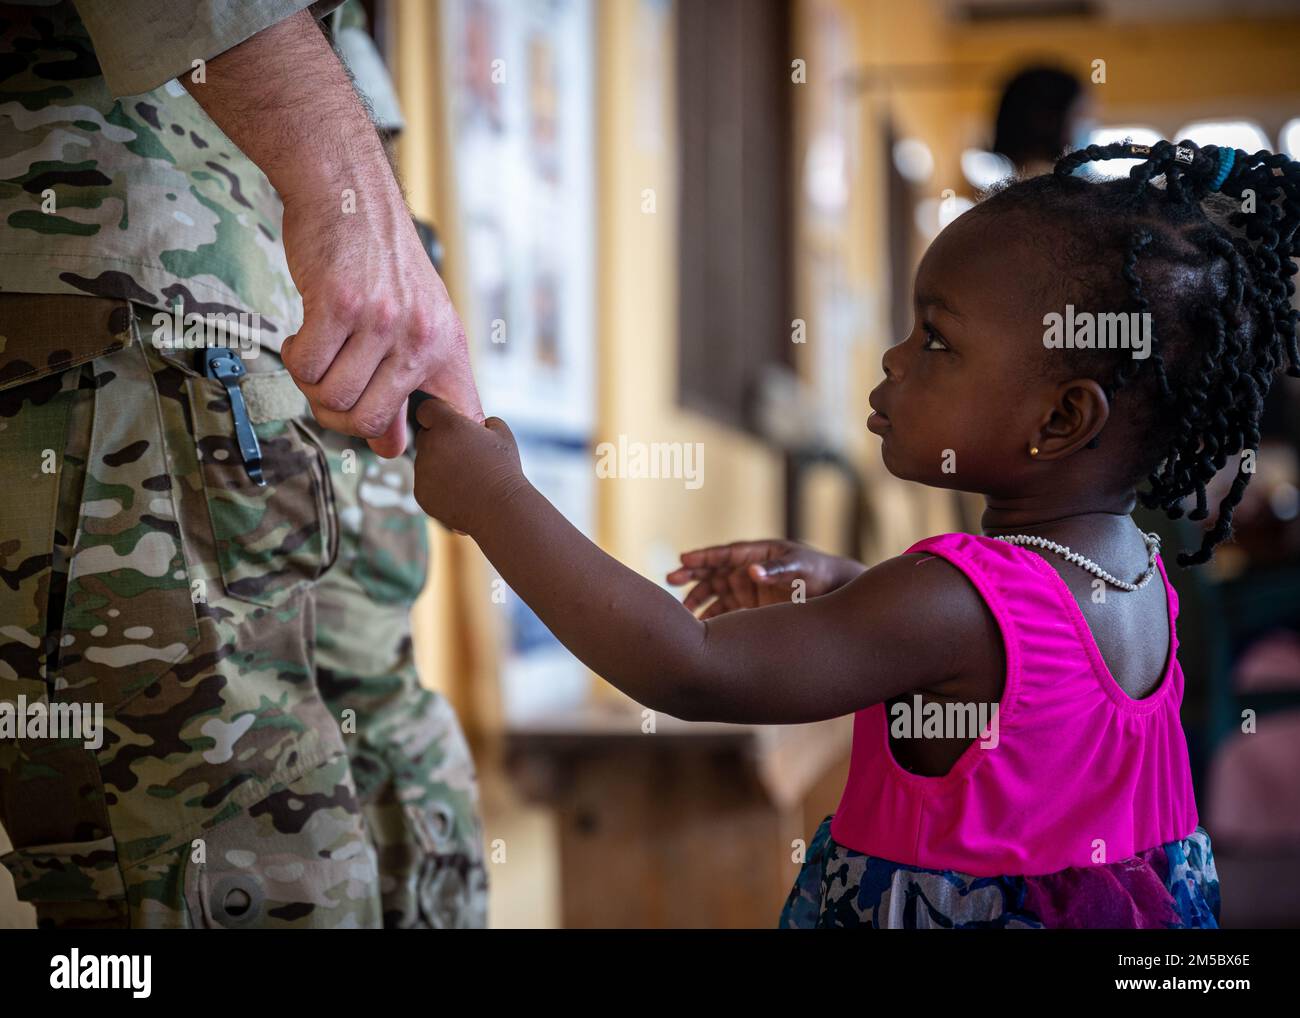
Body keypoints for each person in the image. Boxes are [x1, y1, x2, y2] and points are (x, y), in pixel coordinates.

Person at [410, 138, 1300, 927]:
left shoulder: (949, 601)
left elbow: (688, 665)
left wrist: (495, 498)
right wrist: (849, 587)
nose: (894, 358)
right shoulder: (1137, 578)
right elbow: (1023, 665)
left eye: (937, 339)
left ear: (1061, 418)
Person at [0, 0, 486, 928]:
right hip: (124, 271)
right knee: (240, 842)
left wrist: (388, 241)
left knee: (388, 778)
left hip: (282, 301)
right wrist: (353, 199)